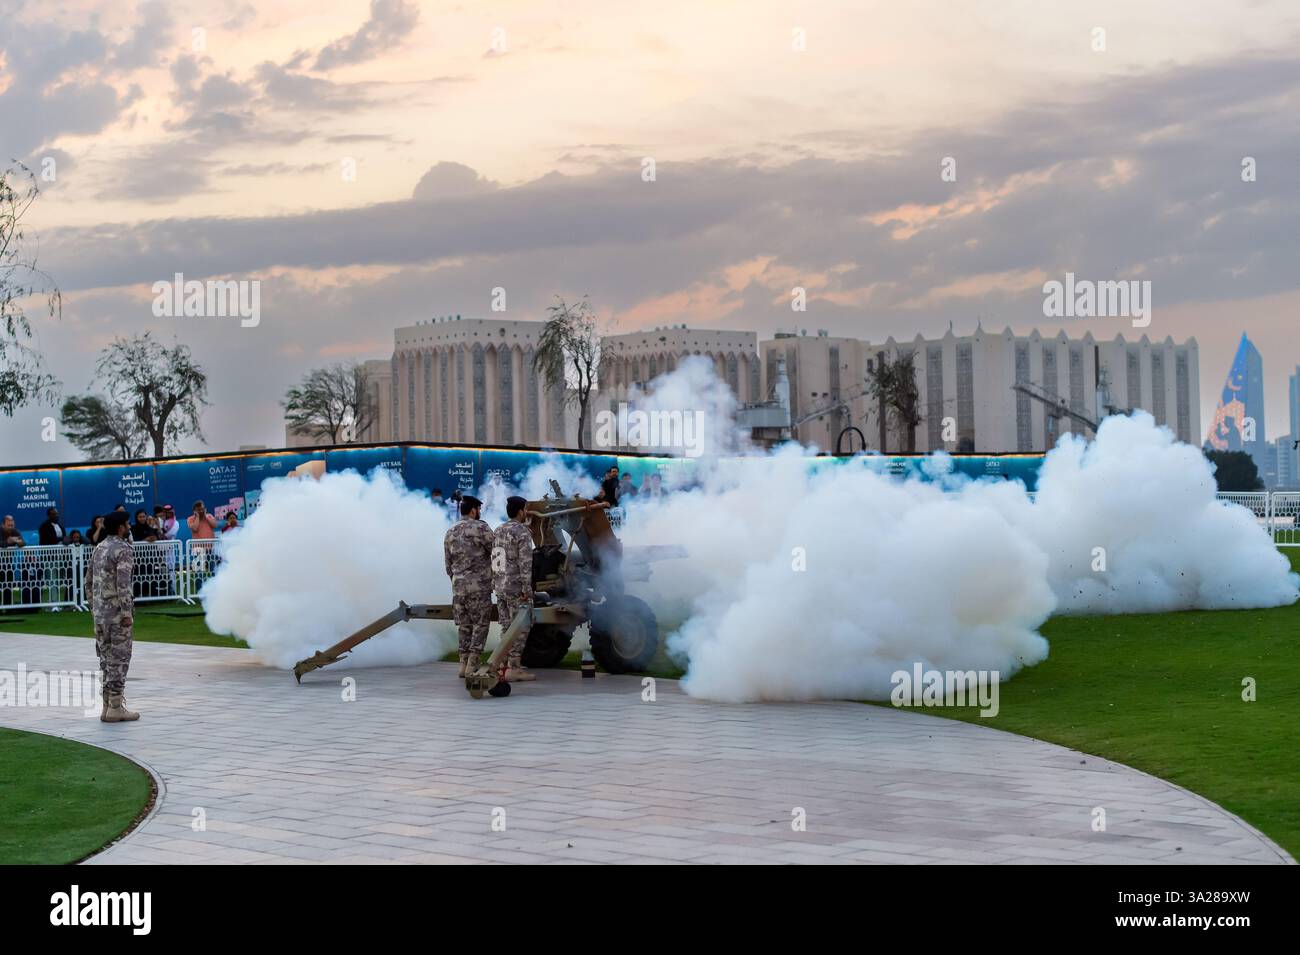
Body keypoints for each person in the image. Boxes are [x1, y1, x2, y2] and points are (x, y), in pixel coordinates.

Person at [85, 512, 139, 722]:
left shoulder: (100, 547)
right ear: (120, 528)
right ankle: (115, 707)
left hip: (100, 615)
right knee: (120, 658)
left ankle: (107, 706)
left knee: (106, 660)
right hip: (117, 615)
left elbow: (88, 582)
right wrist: (126, 613)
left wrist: (95, 607)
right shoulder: (123, 549)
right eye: (127, 524)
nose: (129, 526)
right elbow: (123, 584)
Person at [443, 495, 493, 678]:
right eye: (478, 509)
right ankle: (473, 663)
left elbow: (448, 565)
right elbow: (496, 553)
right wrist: (495, 579)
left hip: (458, 587)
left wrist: (457, 580)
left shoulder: (451, 531)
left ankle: (462, 664)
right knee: (480, 625)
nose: (479, 512)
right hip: (479, 587)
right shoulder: (481, 528)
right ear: (473, 510)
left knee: (464, 626)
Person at [493, 496, 536, 682]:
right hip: (517, 588)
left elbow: (495, 559)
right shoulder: (522, 532)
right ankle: (514, 667)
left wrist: (496, 583)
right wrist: (527, 589)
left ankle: (502, 664)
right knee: (521, 626)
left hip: (501, 586)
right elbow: (525, 563)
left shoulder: (498, 530)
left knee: (506, 627)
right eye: (525, 509)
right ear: (520, 511)